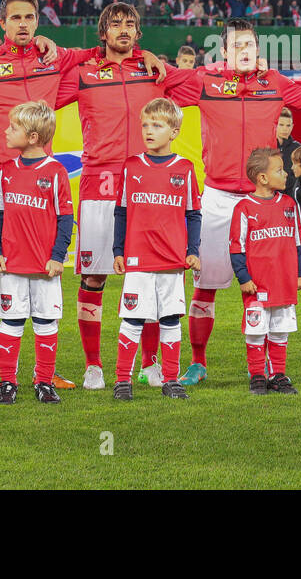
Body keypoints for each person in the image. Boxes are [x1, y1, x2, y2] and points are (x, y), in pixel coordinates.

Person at [166, 20, 301, 386]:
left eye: (249, 43)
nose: (245, 50)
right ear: (224, 52)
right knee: (206, 285)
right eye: (237, 45)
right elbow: (165, 85)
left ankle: (270, 367)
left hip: (262, 200)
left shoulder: (275, 83)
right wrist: (207, 70)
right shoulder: (207, 82)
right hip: (218, 198)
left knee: (266, 286)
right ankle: (198, 362)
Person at [0, 0, 103, 391]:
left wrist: (145, 56)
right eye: (15, 18)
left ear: (38, 22)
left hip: (40, 187)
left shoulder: (54, 58)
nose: (23, 24)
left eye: (29, 17)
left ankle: (46, 371)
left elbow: (102, 51)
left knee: (46, 275)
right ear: (2, 23)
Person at [58, 2, 179, 390]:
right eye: (115, 24)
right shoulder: (84, 73)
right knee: (94, 277)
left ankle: (149, 363)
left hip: (146, 184)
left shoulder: (155, 71)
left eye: (131, 24)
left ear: (139, 33)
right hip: (99, 182)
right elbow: (42, 86)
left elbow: (202, 85)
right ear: (103, 33)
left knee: (148, 275)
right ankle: (93, 365)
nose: (123, 29)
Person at [111, 99, 202, 401]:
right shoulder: (131, 166)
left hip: (172, 261)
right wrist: (118, 251)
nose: (149, 131)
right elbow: (121, 211)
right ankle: (122, 380)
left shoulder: (185, 169)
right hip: (138, 259)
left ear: (174, 132)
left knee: (170, 319)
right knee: (133, 319)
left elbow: (193, 214)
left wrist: (192, 250)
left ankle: (171, 379)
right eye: (145, 125)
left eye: (157, 125)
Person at [0, 101, 75, 405]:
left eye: (13, 127)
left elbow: (65, 218)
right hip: (12, 264)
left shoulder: (55, 172)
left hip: (44, 265)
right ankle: (8, 382)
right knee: (10, 322)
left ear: (34, 137)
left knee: (45, 322)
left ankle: (44, 381)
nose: (6, 131)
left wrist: (57, 256)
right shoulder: (5, 171)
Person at [230, 147, 301, 395]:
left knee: (279, 330)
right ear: (262, 177)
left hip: (283, 283)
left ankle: (277, 375)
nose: (285, 174)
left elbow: (298, 241)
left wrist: (300, 273)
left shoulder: (288, 205)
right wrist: (243, 277)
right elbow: (236, 247)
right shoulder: (244, 208)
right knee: (256, 330)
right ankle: (257, 376)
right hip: (257, 285)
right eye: (279, 170)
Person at [274, 108, 298, 195]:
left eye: (288, 125)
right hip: (269, 196)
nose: (285, 129)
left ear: (292, 126)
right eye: (281, 125)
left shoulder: (299, 149)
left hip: (291, 197)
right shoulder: (266, 146)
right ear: (275, 125)